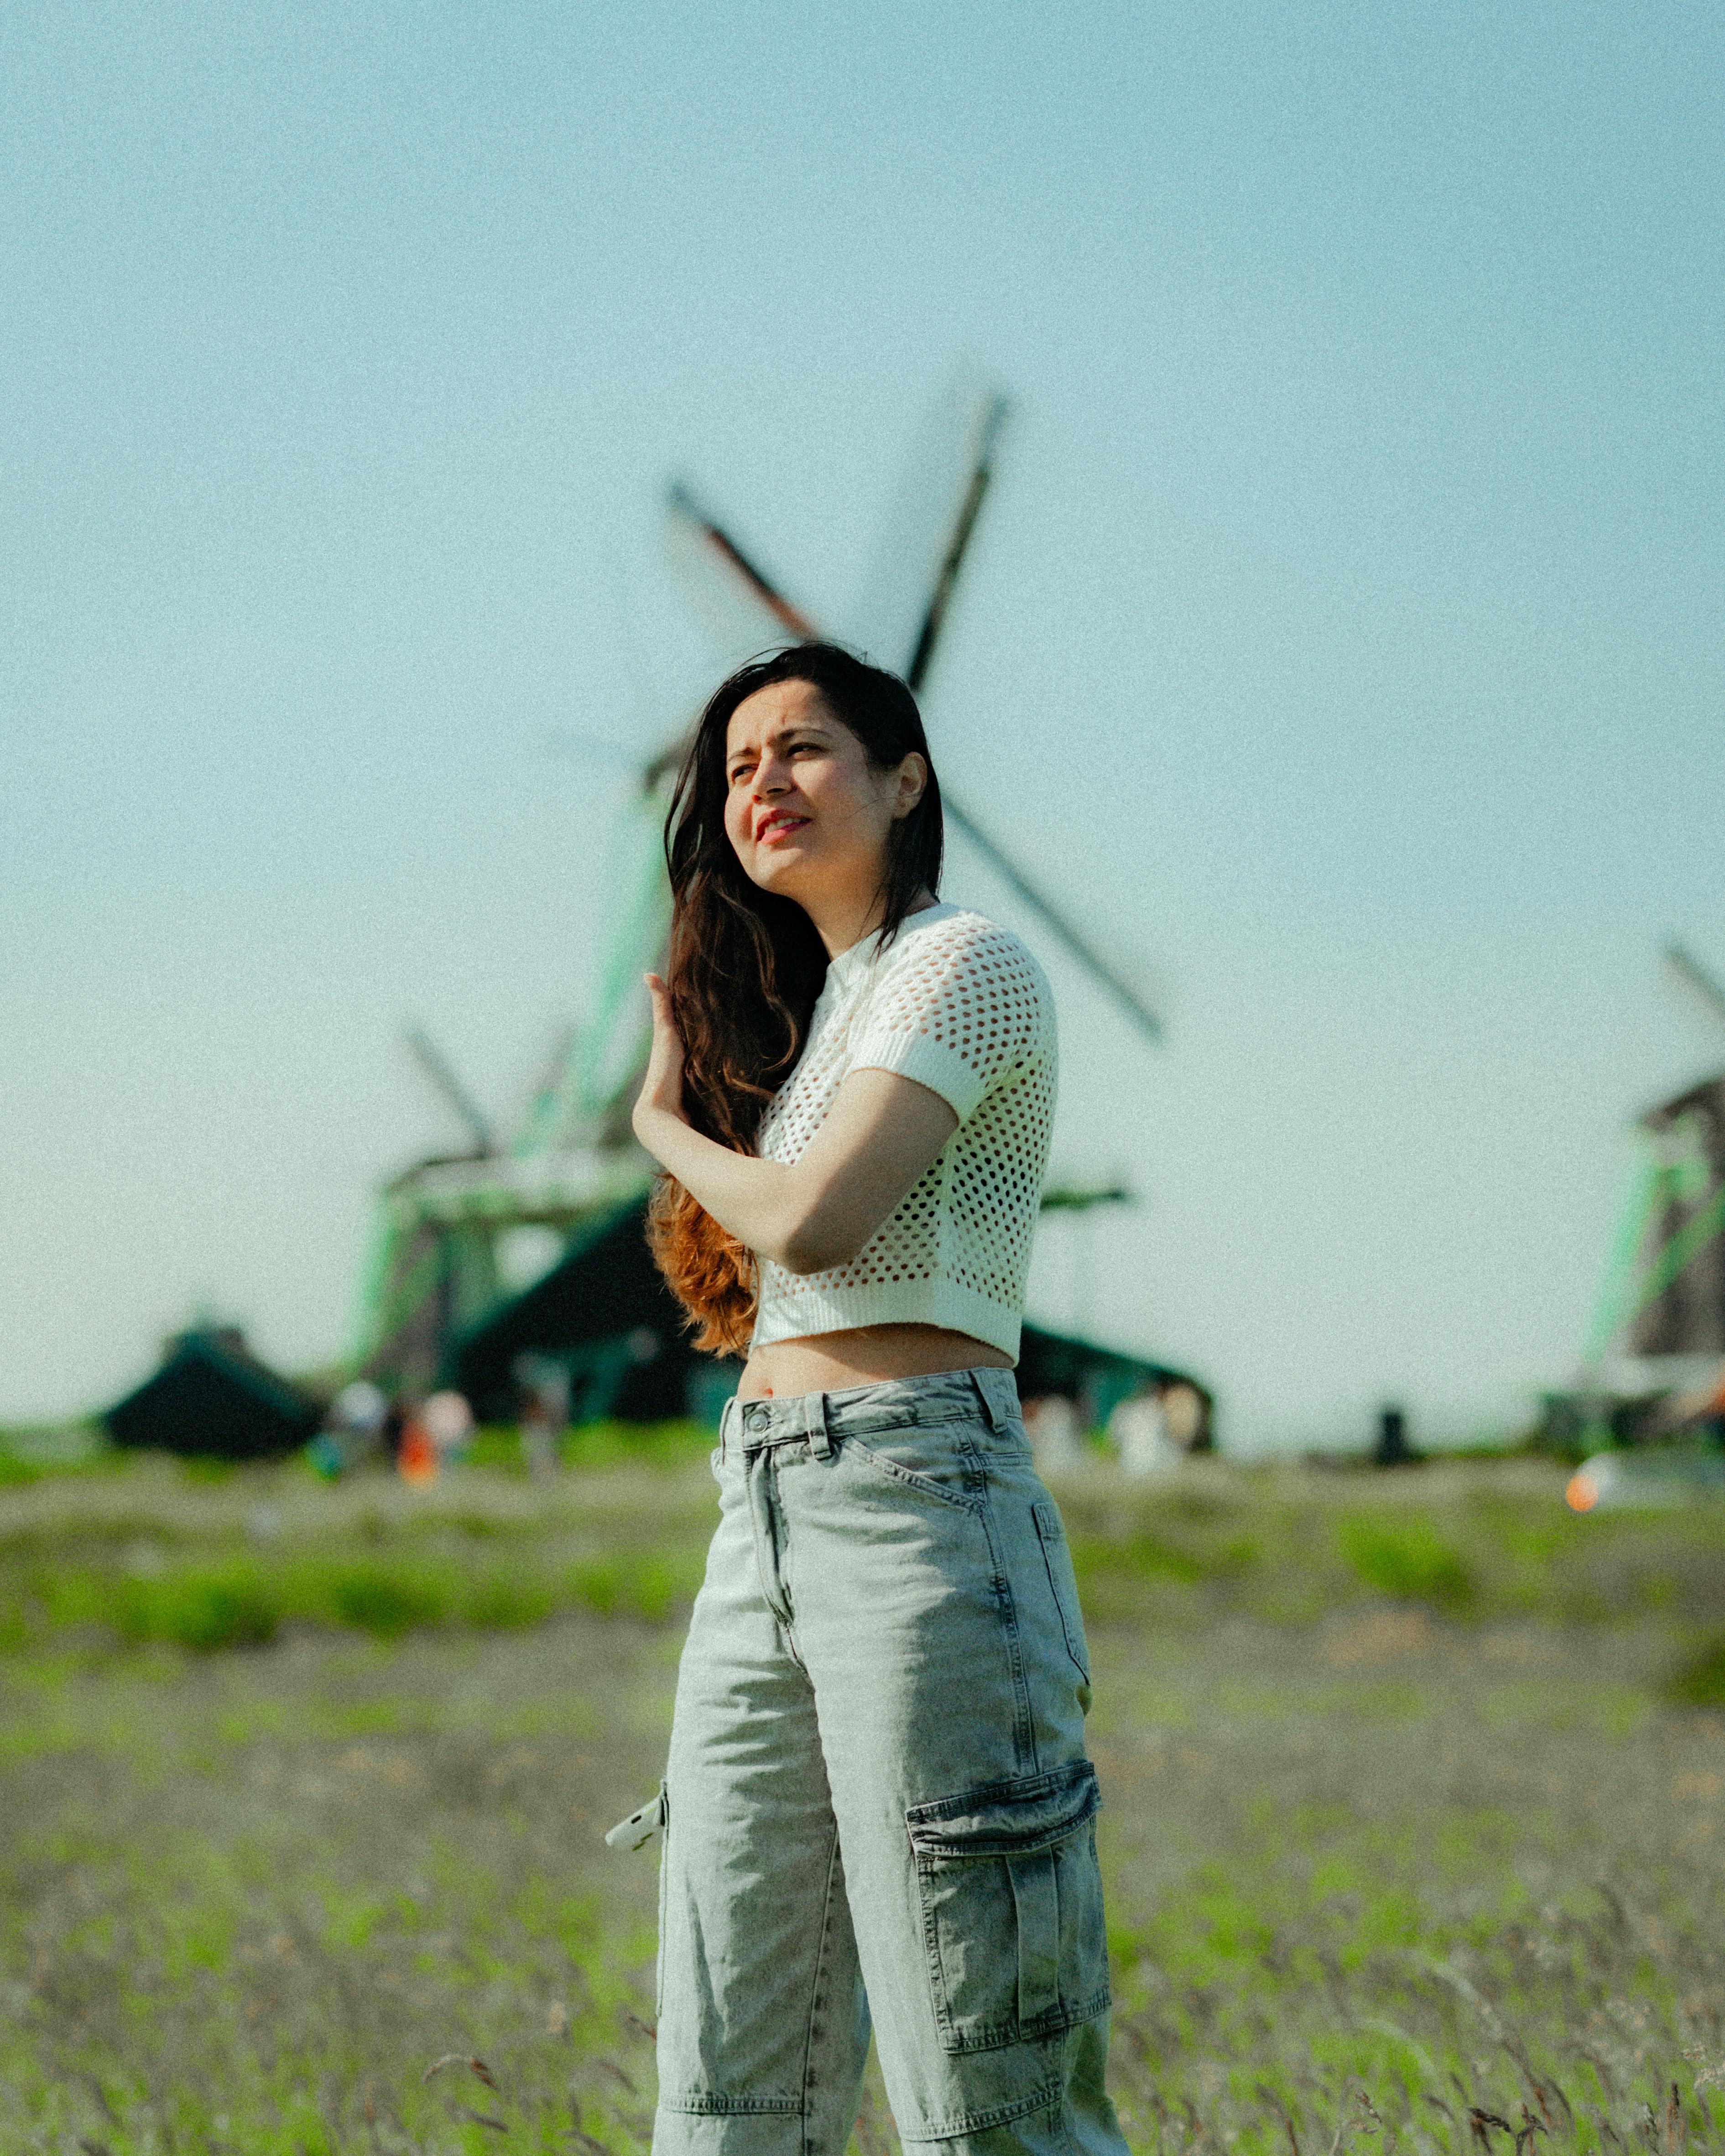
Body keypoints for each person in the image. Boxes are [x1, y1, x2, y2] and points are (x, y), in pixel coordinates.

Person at [626, 642, 1126, 2156]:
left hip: (920, 1510)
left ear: (908, 779)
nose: (762, 784)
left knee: (984, 2089)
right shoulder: (827, 1012)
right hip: (760, 1509)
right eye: (735, 769)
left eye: (803, 750)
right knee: (727, 2089)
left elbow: (819, 1223)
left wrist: (656, 1119)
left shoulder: (961, 964)